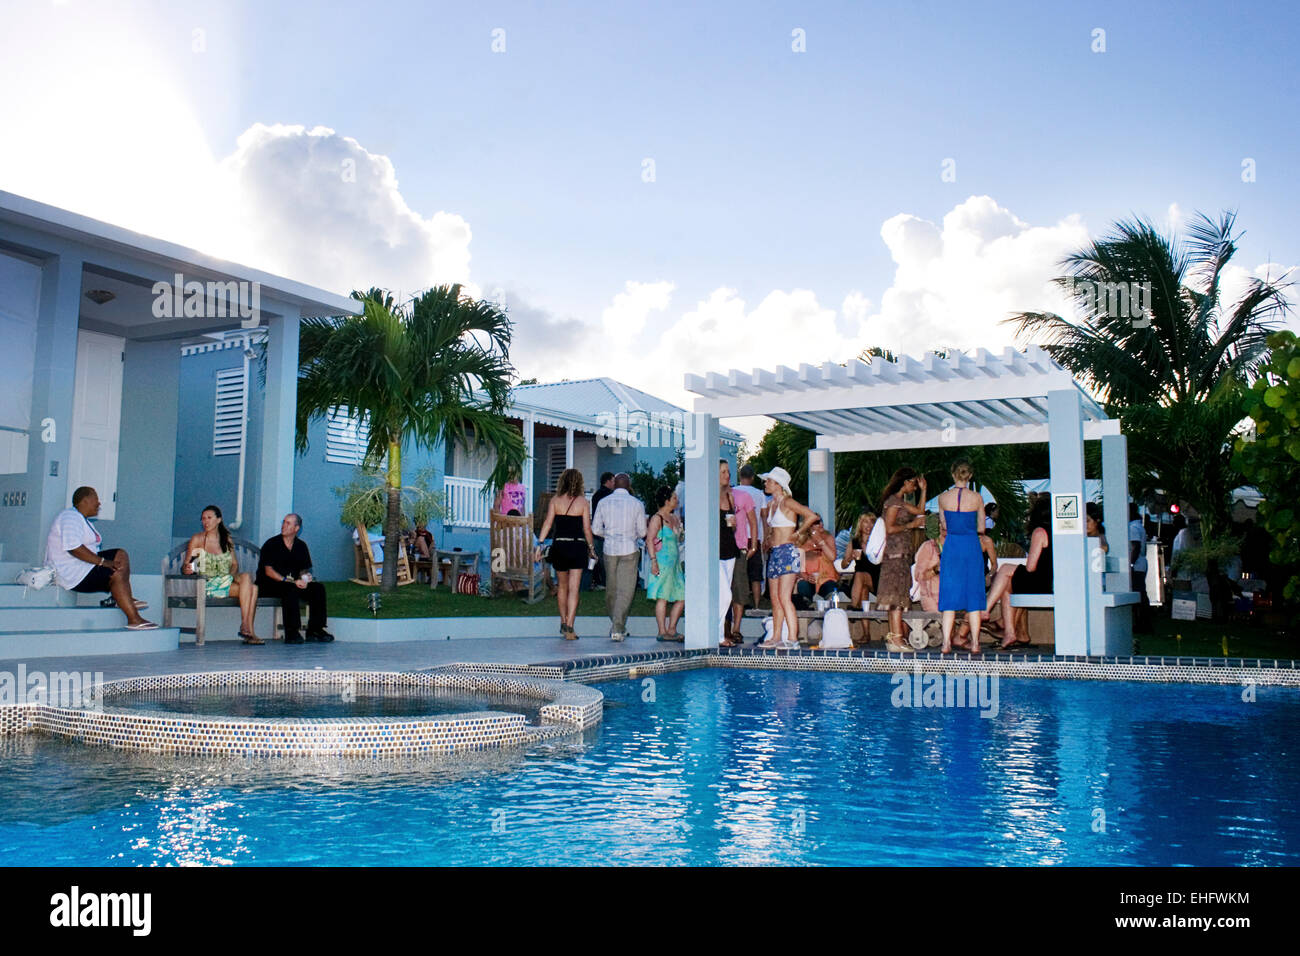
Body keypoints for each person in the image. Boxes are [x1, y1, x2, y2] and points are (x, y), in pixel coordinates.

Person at [45, 486, 157, 629]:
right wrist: (103, 562)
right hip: (72, 573)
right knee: (117, 564)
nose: (99, 504)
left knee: (120, 557)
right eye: (96, 500)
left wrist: (105, 562)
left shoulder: (80, 519)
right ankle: (134, 619)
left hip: (82, 568)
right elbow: (73, 548)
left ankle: (119, 598)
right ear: (85, 501)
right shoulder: (70, 517)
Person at [183, 504, 262, 644]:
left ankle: (246, 627)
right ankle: (248, 629)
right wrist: (188, 568)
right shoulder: (198, 539)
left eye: (209, 518)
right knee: (253, 588)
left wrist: (230, 576)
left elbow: (235, 564)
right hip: (208, 583)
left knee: (247, 578)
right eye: (203, 519)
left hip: (226, 580)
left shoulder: (226, 539)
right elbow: (187, 564)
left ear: (218, 520)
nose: (205, 521)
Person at [758, 466, 817, 650]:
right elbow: (773, 529)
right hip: (775, 553)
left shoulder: (787, 502)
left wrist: (798, 533)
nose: (766, 483)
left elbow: (811, 515)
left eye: (769, 481)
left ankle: (792, 638)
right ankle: (776, 636)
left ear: (778, 484)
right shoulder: (771, 505)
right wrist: (769, 538)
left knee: (784, 597)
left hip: (787, 552)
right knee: (775, 598)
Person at [985, 496, 1052, 649]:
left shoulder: (1040, 532)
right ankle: (1009, 632)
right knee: (1008, 583)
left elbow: (1030, 567)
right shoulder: (1054, 532)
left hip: (1038, 582)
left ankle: (987, 609)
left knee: (1005, 570)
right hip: (1047, 581)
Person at [536, 468, 595, 640]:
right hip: (577, 546)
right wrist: (591, 548)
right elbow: (587, 529)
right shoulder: (583, 503)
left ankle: (563, 621)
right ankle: (570, 626)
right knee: (574, 589)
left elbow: (547, 523)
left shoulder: (555, 500)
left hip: (560, 545)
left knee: (562, 586)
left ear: (562, 481)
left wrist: (540, 544)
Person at [936, 459, 987, 655]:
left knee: (948, 596)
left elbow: (944, 526)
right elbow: (982, 528)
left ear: (952, 474)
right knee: (973, 595)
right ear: (970, 476)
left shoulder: (943, 498)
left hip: (952, 547)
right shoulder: (976, 498)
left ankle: (945, 644)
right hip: (970, 546)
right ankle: (975, 643)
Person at [256, 513, 332, 644]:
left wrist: (305, 578)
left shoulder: (301, 546)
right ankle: (291, 632)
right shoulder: (272, 544)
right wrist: (289, 581)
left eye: (288, 523)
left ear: (297, 528)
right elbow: (268, 571)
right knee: (289, 588)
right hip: (270, 584)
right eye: (283, 522)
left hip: (292, 583)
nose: (283, 526)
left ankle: (315, 629)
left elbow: (303, 569)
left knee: (317, 588)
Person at [591, 472, 646, 641]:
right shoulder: (637, 504)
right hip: (629, 548)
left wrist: (608, 535)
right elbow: (642, 531)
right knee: (625, 591)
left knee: (612, 590)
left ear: (614, 484)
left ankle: (617, 625)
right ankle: (617, 626)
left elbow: (595, 529)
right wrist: (633, 536)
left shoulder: (603, 502)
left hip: (609, 549)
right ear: (628, 486)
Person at [878, 468, 928, 652]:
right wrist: (911, 525)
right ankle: (896, 639)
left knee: (897, 599)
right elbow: (889, 528)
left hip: (901, 555)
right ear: (905, 482)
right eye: (913, 483)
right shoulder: (893, 503)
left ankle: (895, 639)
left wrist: (924, 490)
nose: (914, 487)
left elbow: (920, 512)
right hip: (894, 556)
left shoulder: (899, 502)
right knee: (896, 599)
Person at [724, 462, 759, 643]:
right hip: (721, 550)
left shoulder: (743, 495)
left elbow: (753, 521)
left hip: (739, 548)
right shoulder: (714, 496)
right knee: (723, 591)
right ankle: (724, 629)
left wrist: (753, 546)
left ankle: (736, 629)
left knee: (738, 588)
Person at [646, 486, 685, 641]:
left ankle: (672, 628)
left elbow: (679, 539)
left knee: (681, 596)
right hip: (662, 562)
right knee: (662, 596)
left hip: (674, 564)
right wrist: (653, 561)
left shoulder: (675, 518)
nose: (677, 500)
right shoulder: (657, 518)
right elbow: (650, 539)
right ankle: (662, 631)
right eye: (674, 498)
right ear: (667, 500)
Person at [734, 464, 768, 610]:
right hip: (756, 537)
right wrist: (766, 537)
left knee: (740, 572)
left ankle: (740, 602)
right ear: (752, 477)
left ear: (739, 476)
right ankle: (756, 604)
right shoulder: (759, 494)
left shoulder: (734, 491)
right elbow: (764, 518)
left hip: (738, 538)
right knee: (755, 574)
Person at [588, 472, 616, 590]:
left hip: (596, 529)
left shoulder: (596, 495)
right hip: (606, 530)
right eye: (613, 481)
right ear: (608, 481)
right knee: (605, 558)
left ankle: (596, 580)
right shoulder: (609, 496)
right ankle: (605, 582)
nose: (614, 484)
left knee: (597, 557)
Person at [846, 511, 879, 607]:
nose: (869, 525)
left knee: (860, 575)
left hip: (876, 577)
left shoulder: (878, 542)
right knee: (863, 587)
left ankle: (853, 606)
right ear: (861, 524)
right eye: (865, 522)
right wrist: (850, 558)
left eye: (871, 522)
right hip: (858, 581)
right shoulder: (854, 542)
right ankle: (859, 613)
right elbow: (843, 565)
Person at [1129, 503, 1153, 633]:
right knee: (1141, 595)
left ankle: (1142, 623)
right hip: (1140, 563)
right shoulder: (1138, 526)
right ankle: (1143, 622)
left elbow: (1135, 546)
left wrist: (1131, 563)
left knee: (1139, 595)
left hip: (1136, 565)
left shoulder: (1133, 527)